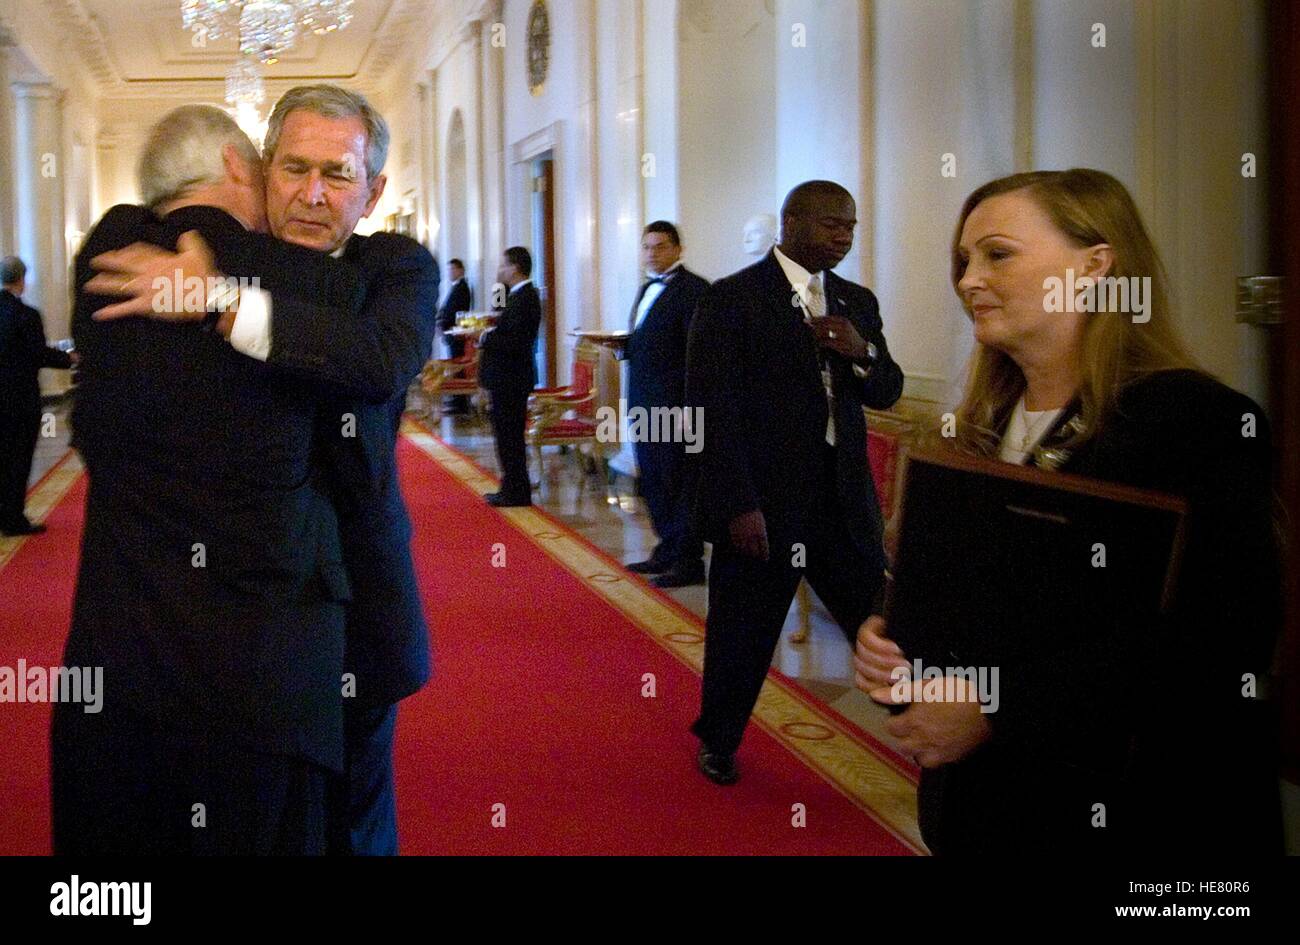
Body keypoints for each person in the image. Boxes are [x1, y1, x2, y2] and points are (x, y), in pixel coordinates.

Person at [854, 168, 1283, 855]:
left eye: (998, 254)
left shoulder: (1197, 422)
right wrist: (893, 641)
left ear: (1094, 266)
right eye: (963, 261)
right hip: (986, 813)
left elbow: (1221, 645)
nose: (967, 280)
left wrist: (999, 709)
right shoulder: (976, 431)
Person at [86, 85, 438, 855]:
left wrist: (216, 298)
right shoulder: (181, 244)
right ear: (259, 168)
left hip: (360, 597)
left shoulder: (396, 269)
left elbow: (379, 359)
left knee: (358, 822)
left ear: (374, 189)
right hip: (248, 625)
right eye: (294, 168)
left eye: (338, 175)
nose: (311, 195)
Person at [686, 180, 904, 784]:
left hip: (841, 500)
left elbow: (886, 388)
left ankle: (925, 726)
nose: (844, 236)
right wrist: (737, 503)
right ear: (792, 222)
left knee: (878, 621)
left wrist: (861, 350)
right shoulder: (734, 298)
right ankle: (719, 740)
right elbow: (709, 408)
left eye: (852, 227)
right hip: (763, 504)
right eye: (832, 223)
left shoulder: (856, 300)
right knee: (743, 630)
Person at [618, 221, 709, 588]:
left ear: (678, 249)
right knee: (652, 476)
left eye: (660, 246)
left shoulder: (696, 291)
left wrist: (691, 408)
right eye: (647, 246)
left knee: (678, 479)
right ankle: (666, 547)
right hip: (643, 399)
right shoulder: (645, 290)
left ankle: (688, 560)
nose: (652, 253)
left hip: (676, 405)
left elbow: (698, 354)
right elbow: (648, 341)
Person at [0, 257, 73, 536]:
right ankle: (13, 519)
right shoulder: (27, 315)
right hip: (20, 400)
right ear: (22, 279)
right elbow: (38, 354)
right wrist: (68, 359)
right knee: (19, 458)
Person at [479, 246, 541, 507]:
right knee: (506, 437)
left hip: (512, 378)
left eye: (503, 265)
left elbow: (516, 340)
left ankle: (516, 491)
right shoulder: (515, 295)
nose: (500, 270)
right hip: (507, 377)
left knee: (510, 437)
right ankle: (511, 486)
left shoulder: (526, 297)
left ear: (514, 268)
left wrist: (485, 337)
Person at [438, 258, 474, 413]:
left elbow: (456, 311)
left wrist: (444, 321)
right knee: (454, 366)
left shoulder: (462, 288)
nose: (450, 273)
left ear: (461, 270)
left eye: (453, 269)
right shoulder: (455, 287)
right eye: (449, 269)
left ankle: (461, 403)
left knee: (458, 366)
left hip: (457, 334)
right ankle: (456, 399)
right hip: (451, 333)